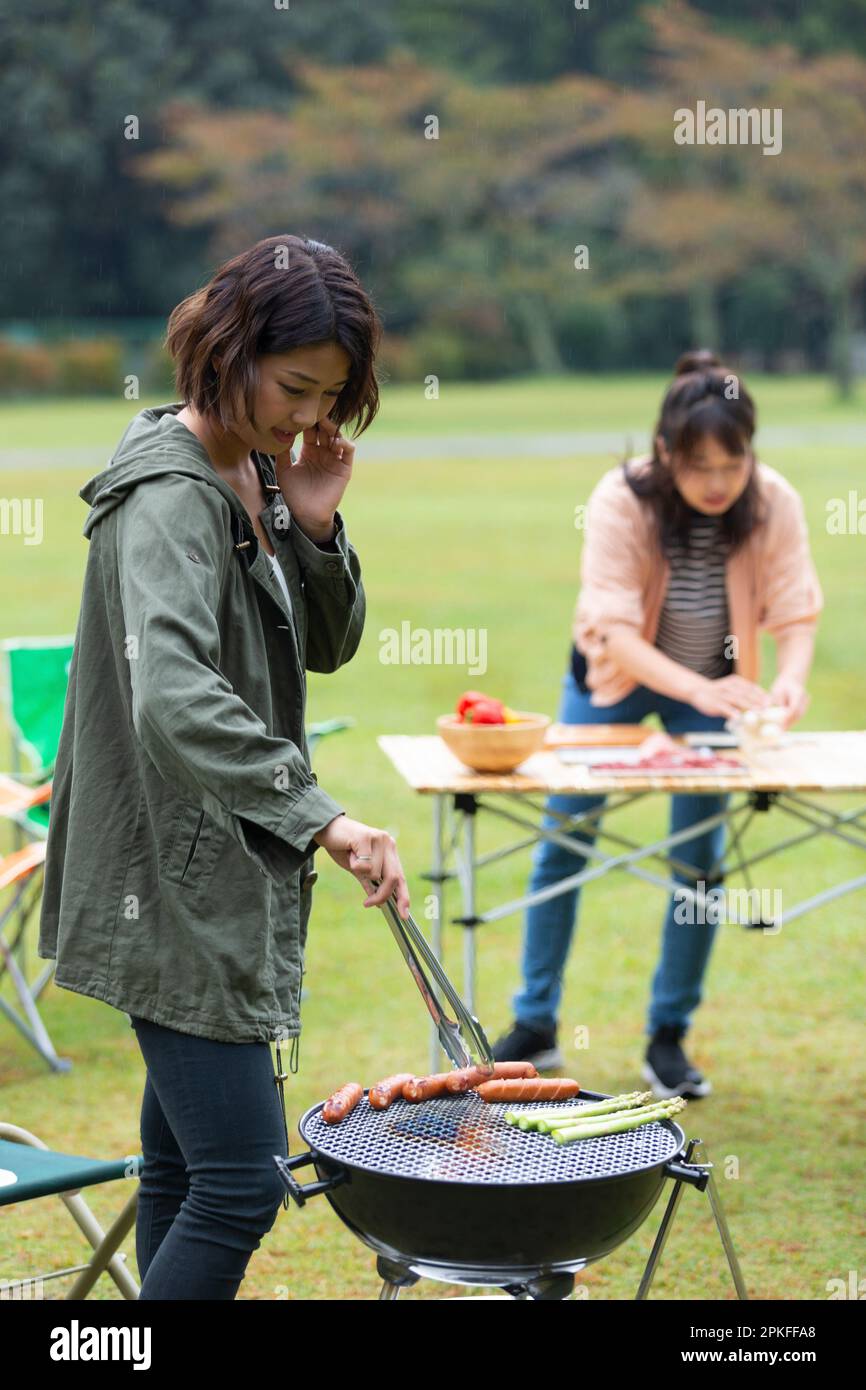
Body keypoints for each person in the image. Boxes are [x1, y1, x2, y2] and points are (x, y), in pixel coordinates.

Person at [38, 233, 410, 1299]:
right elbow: (173, 694)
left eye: (327, 395)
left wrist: (316, 521)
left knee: (183, 1167)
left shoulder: (252, 468)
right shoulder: (168, 496)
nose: (305, 415)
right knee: (243, 1184)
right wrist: (322, 816)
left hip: (218, 870)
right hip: (164, 879)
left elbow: (323, 648)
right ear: (230, 350)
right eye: (293, 385)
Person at [492, 348, 823, 1097]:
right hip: (613, 681)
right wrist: (702, 694)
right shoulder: (621, 499)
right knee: (565, 838)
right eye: (699, 465)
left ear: (750, 455)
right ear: (665, 453)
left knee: (698, 860)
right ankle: (536, 1022)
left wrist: (792, 680)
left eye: (731, 465)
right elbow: (613, 632)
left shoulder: (774, 501)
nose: (716, 483)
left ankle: (668, 1035)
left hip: (716, 688)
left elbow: (795, 608)